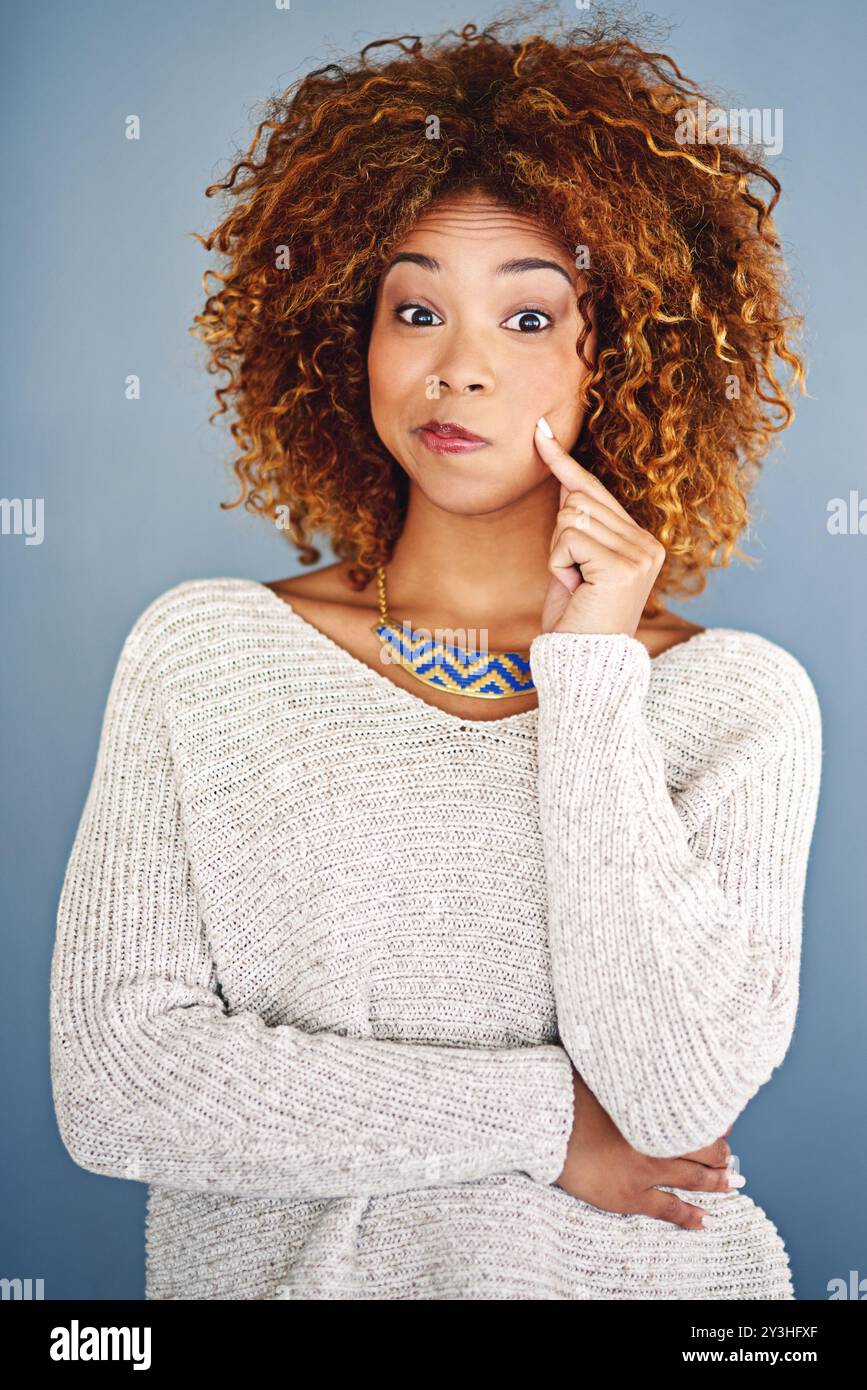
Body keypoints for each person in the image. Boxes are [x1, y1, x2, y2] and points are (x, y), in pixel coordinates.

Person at [49, 10, 822, 1299]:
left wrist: (589, 681)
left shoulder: (733, 703)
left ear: (620, 360)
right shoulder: (208, 658)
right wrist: (546, 1126)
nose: (459, 368)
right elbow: (121, 1086)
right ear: (350, 339)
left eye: (529, 320)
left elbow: (675, 1090)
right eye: (417, 309)